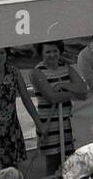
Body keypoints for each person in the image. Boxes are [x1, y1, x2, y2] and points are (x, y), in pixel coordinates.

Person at [29, 41, 85, 171]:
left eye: (55, 51)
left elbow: (83, 88)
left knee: (73, 161)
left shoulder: (66, 67)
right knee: (53, 162)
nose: (52, 55)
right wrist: (74, 94)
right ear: (41, 53)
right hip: (49, 123)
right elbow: (52, 97)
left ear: (60, 52)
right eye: (47, 52)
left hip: (68, 121)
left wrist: (63, 86)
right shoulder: (36, 72)